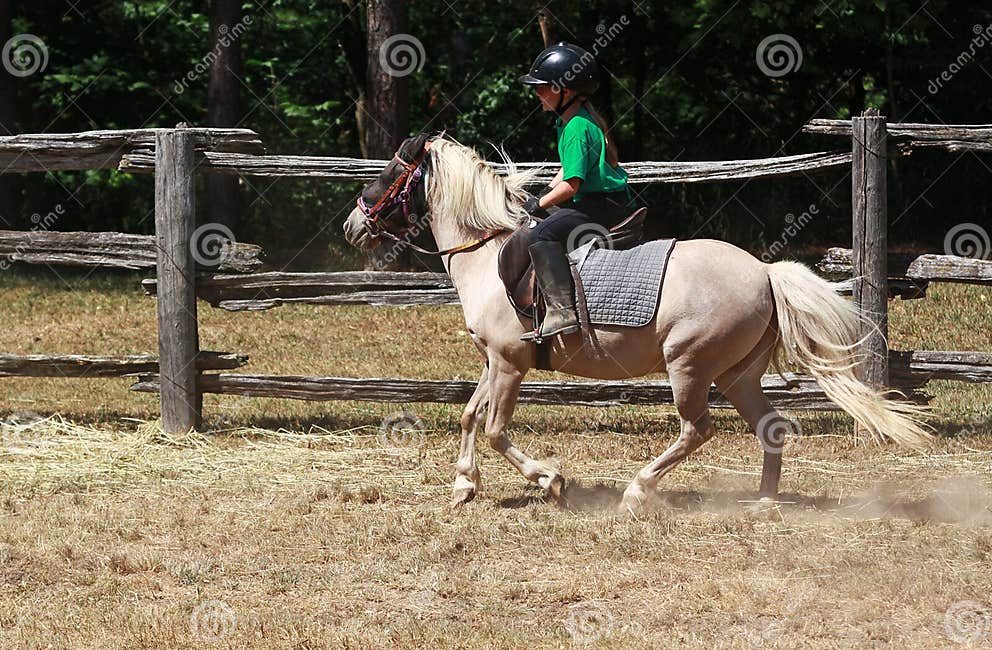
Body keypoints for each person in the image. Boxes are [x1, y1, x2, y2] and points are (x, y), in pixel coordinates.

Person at [518, 41, 637, 341]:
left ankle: (561, 312)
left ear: (564, 91)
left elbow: (573, 185)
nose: (537, 93)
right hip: (608, 201)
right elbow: (567, 170)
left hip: (598, 207)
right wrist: (543, 192)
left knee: (540, 234)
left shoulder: (575, 128)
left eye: (543, 87)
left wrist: (537, 204)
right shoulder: (578, 121)